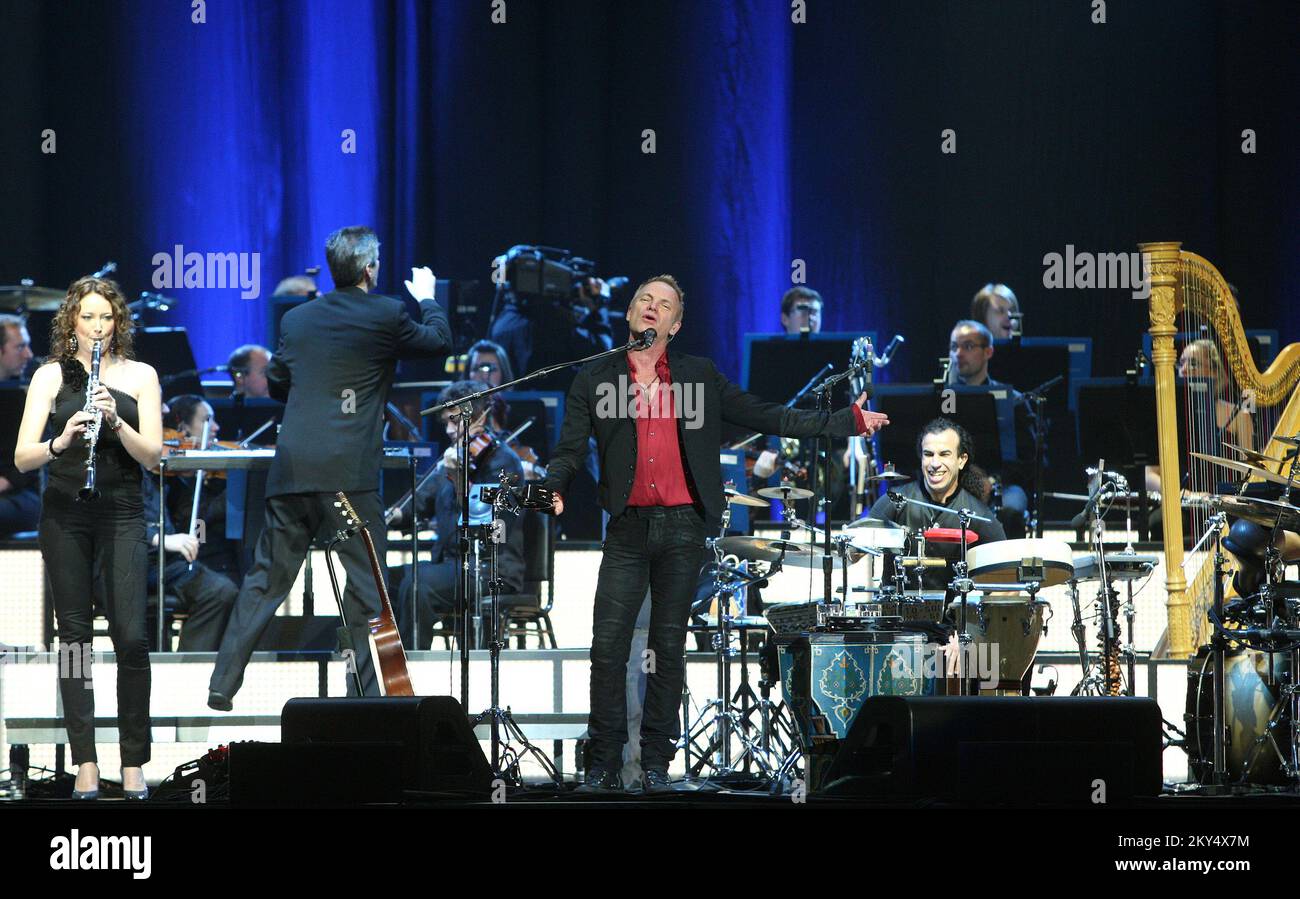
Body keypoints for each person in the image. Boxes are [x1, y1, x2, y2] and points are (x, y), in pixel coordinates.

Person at [542, 274, 888, 793]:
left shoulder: (698, 376)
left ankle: (656, 764)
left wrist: (844, 422)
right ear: (630, 313)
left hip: (684, 527)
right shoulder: (595, 378)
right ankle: (603, 763)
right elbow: (569, 451)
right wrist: (554, 487)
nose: (652, 308)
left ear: (676, 325)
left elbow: (768, 415)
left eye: (664, 305)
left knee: (667, 647)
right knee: (607, 648)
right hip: (627, 530)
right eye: (644, 300)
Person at [207, 226, 452, 710]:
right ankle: (367, 698)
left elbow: (278, 381)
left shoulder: (297, 319)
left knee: (265, 580)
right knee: (368, 589)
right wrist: (427, 296)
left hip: (292, 471)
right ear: (370, 269)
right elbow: (439, 342)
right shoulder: (386, 313)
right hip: (347, 478)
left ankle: (222, 682)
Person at [14, 276, 163, 799]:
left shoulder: (141, 375)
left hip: (122, 510)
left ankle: (133, 760)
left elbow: (154, 456)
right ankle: (85, 761)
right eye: (88, 317)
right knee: (74, 639)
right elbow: (22, 457)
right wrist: (60, 441)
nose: (98, 327)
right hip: (65, 514)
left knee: (131, 636)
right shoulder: (49, 375)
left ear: (118, 322)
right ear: (71, 322)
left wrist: (116, 422)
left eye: (106, 318)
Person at [388, 380, 525, 650]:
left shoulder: (503, 462)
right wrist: (391, 515)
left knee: (417, 585)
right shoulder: (454, 459)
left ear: (479, 417)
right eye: (446, 423)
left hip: (489, 568)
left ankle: (411, 663)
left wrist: (459, 476)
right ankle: (379, 660)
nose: (449, 430)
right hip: (449, 565)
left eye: (455, 421)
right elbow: (419, 502)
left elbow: (486, 526)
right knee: (380, 581)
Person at [866, 418, 1007, 591]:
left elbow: (1006, 576)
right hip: (896, 608)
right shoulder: (894, 501)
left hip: (955, 609)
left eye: (944, 454)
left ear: (961, 460)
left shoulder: (979, 514)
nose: (935, 463)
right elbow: (857, 549)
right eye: (928, 454)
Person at [946, 319, 1035, 537]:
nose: (958, 354)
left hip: (1003, 484)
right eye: (954, 347)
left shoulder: (1014, 401)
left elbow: (1029, 459)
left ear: (988, 352)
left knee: (1011, 508)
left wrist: (993, 481)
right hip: (952, 483)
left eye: (968, 346)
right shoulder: (944, 400)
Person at [141, 470, 238, 651]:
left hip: (169, 563)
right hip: (128, 564)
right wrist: (160, 539)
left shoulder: (169, 478)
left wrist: (223, 498)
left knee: (222, 591)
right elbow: (114, 520)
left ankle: (187, 662)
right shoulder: (122, 471)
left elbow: (197, 519)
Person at [0, 315, 40, 536]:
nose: (29, 354)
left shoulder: (29, 394)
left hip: (24, 493)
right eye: (20, 347)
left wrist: (6, 481)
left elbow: (38, 457)